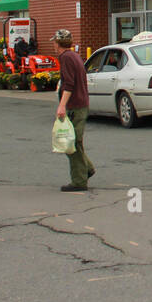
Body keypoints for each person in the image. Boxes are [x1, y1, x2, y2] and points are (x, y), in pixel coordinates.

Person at [53, 29, 95, 191]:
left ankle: (79, 180)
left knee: (71, 143)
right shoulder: (75, 56)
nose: (53, 45)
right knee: (75, 141)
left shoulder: (65, 58)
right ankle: (86, 169)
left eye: (54, 42)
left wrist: (62, 105)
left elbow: (68, 84)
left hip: (75, 106)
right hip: (81, 103)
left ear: (58, 43)